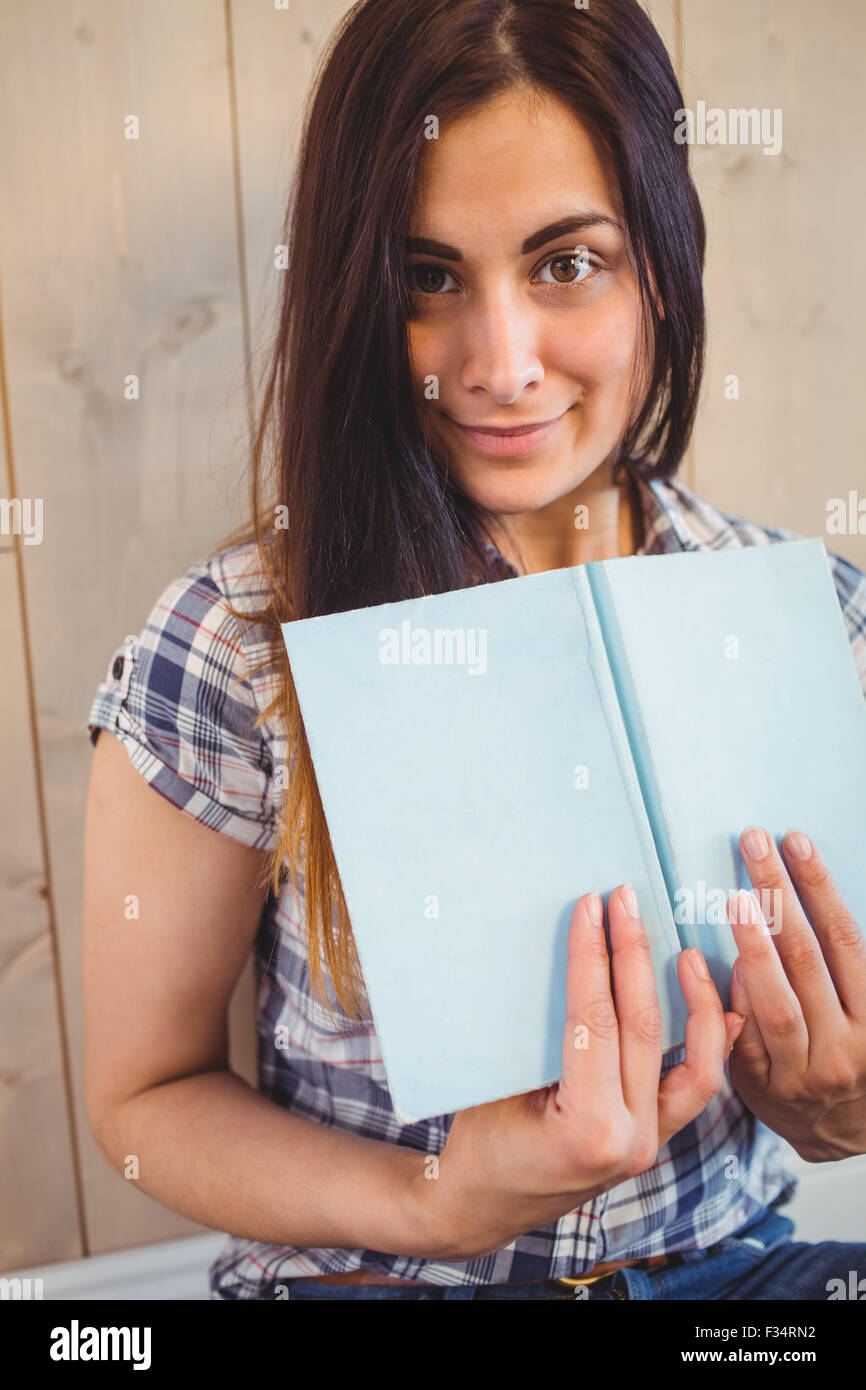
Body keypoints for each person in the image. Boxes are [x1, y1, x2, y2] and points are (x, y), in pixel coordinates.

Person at [82, 0, 866, 1300]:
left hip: (727, 1281)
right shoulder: (230, 647)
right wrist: (433, 1201)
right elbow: (139, 1096)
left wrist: (835, 1110)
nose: (497, 365)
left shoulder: (811, 620)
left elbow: (842, 1108)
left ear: (660, 265)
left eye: (567, 263)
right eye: (425, 278)